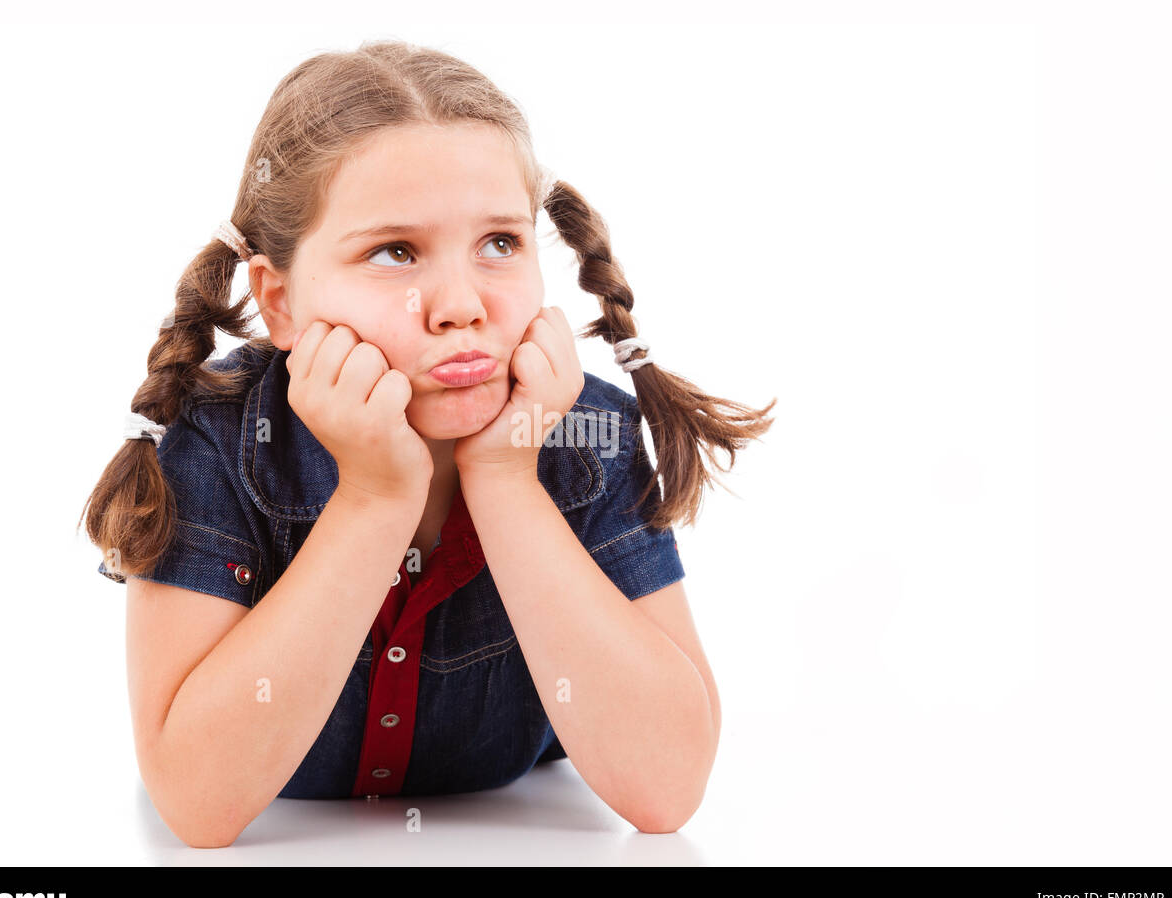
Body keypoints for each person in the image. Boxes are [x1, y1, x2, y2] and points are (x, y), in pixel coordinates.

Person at [81, 40, 775, 848]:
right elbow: (196, 805)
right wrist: (375, 497)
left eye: (499, 244)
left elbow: (668, 789)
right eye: (395, 252)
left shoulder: (591, 436)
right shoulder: (217, 443)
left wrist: (507, 475)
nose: (458, 305)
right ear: (281, 302)